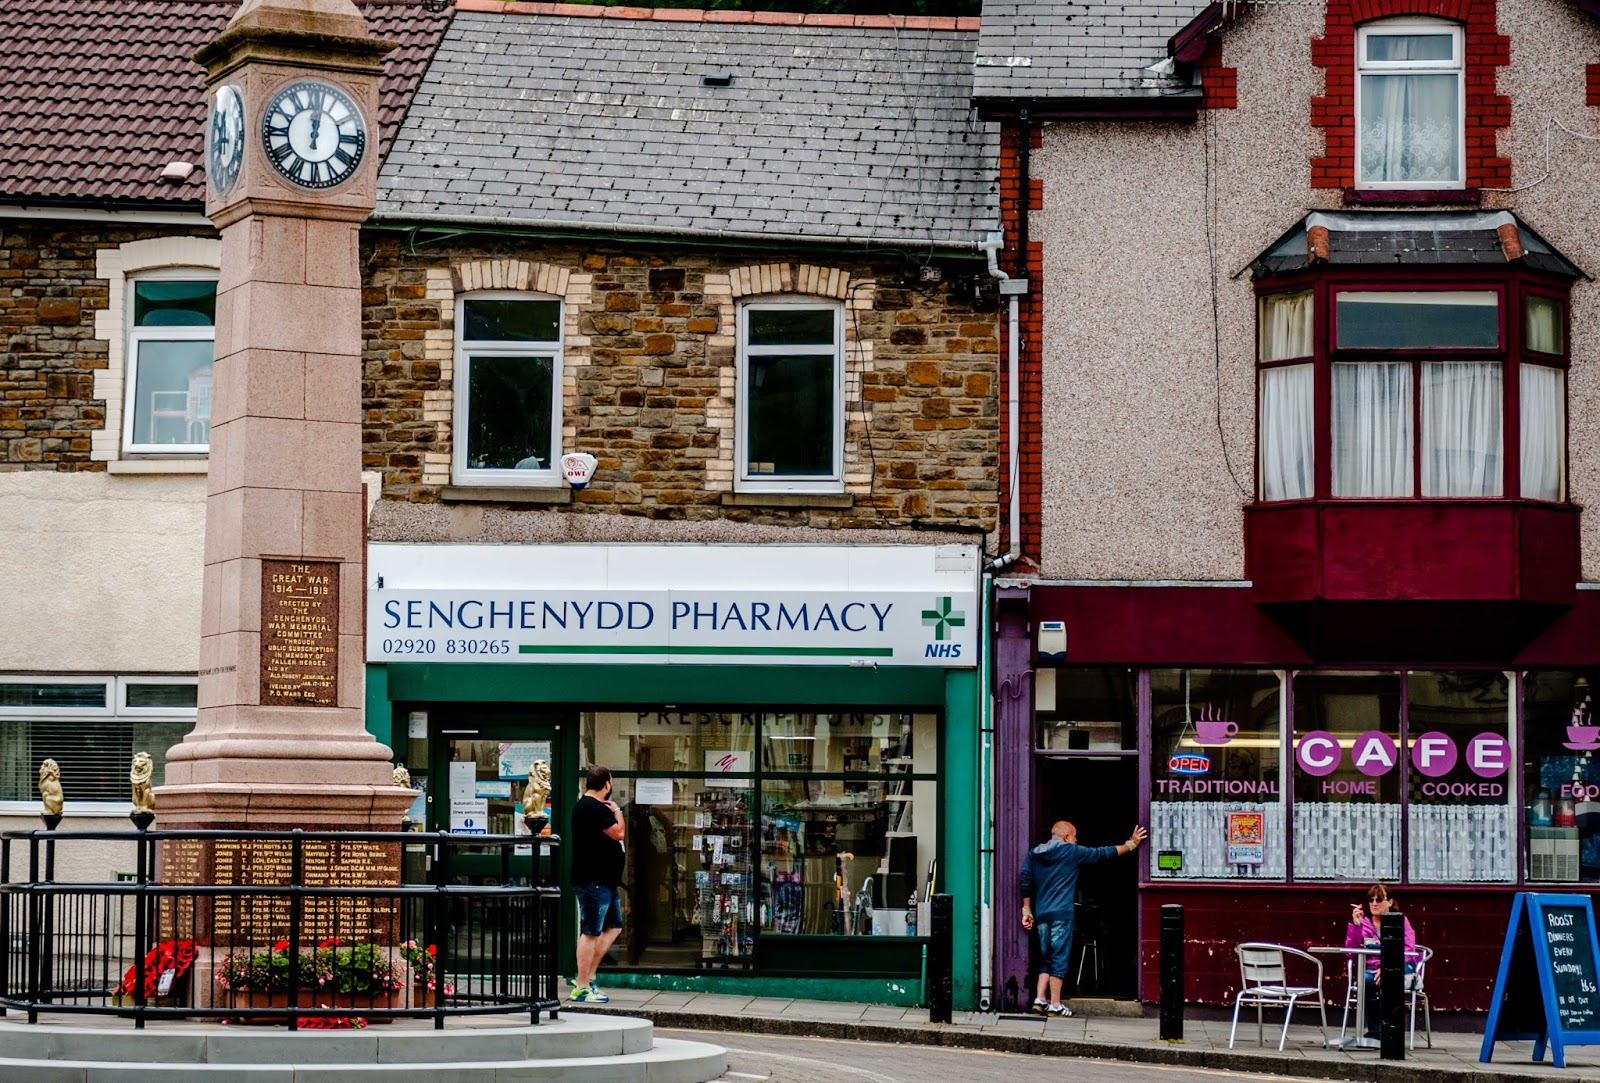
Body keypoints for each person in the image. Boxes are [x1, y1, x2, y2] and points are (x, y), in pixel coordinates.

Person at [1020, 821, 1146, 1017]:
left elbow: (1026, 879)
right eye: (1074, 836)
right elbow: (1102, 853)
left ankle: (1040, 999)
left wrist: (1026, 909)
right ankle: (1055, 1004)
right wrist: (1131, 844)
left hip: (1042, 914)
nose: (1076, 840)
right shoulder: (1071, 851)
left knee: (1046, 957)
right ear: (1066, 837)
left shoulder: (1034, 854)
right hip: (1062, 913)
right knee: (1059, 957)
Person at [569, 764, 625, 1003]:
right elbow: (618, 833)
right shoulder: (593, 807)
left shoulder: (588, 806)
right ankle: (582, 986)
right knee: (591, 932)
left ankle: (588, 975)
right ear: (607, 784)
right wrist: (618, 811)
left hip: (605, 880)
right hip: (594, 880)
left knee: (614, 926)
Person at [1343, 883, 1418, 1039]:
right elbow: (1350, 953)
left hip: (1399, 968)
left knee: (1382, 979)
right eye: (1371, 900)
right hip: (1371, 971)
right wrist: (1356, 927)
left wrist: (1387, 967)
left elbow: (1409, 950)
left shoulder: (1400, 921)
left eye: (1379, 900)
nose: (1374, 904)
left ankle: (1384, 1029)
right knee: (1367, 980)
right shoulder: (1363, 923)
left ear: (1390, 902)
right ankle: (1377, 1030)